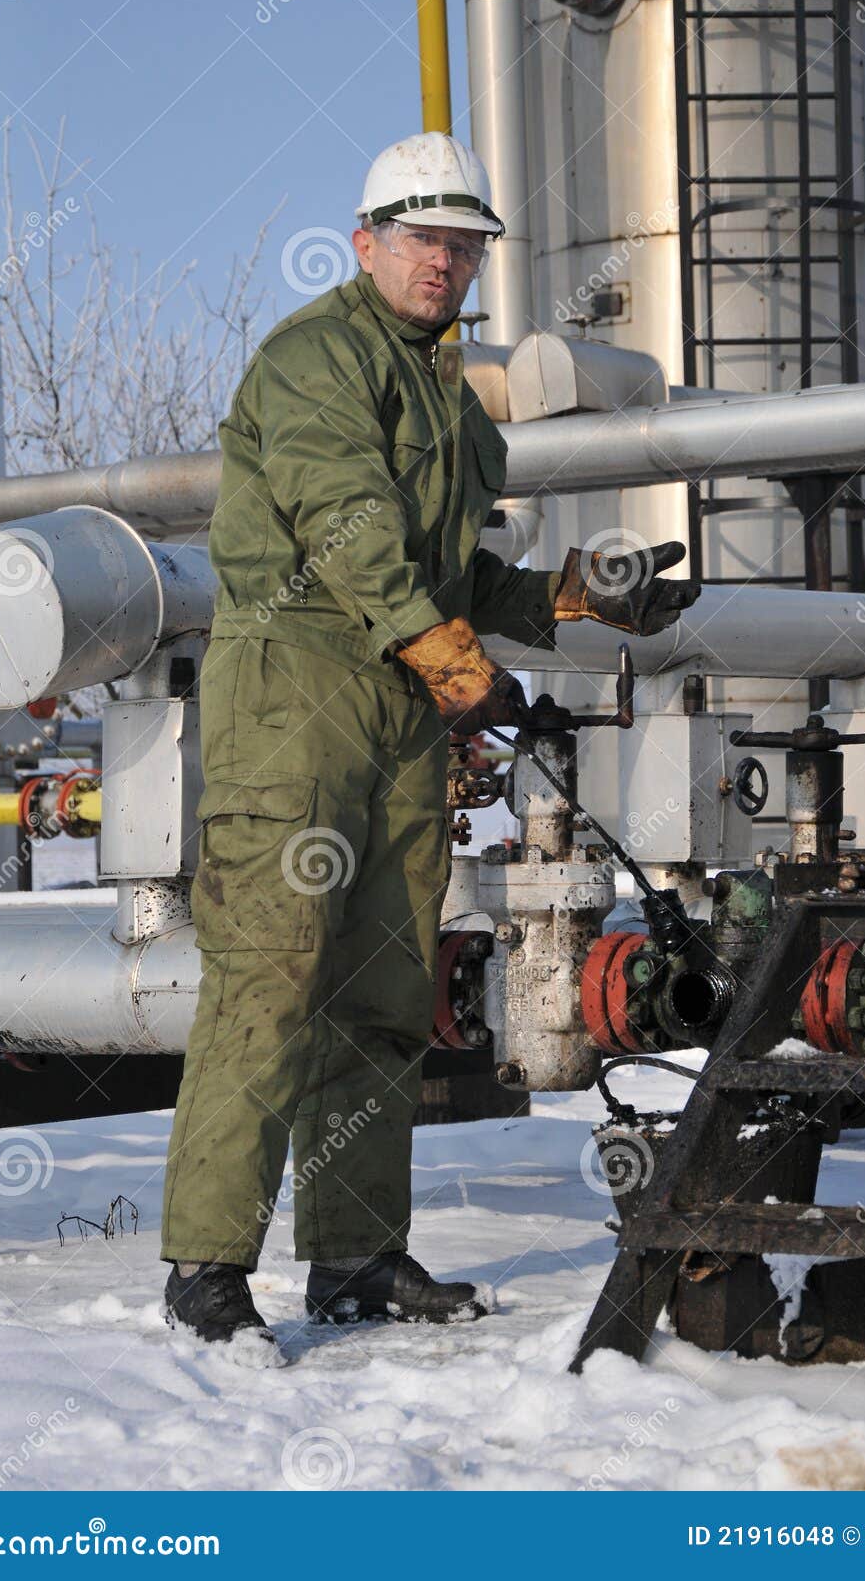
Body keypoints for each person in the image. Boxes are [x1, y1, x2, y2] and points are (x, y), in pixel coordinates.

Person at [160, 132, 698, 1360]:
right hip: (296, 703)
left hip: (402, 720)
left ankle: (352, 1255)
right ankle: (206, 1269)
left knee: (383, 992)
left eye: (463, 245)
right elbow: (350, 531)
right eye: (422, 239)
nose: (443, 262)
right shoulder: (313, 361)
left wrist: (578, 596)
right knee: (272, 977)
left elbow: (452, 573)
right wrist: (458, 667)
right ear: (367, 243)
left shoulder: (447, 399)